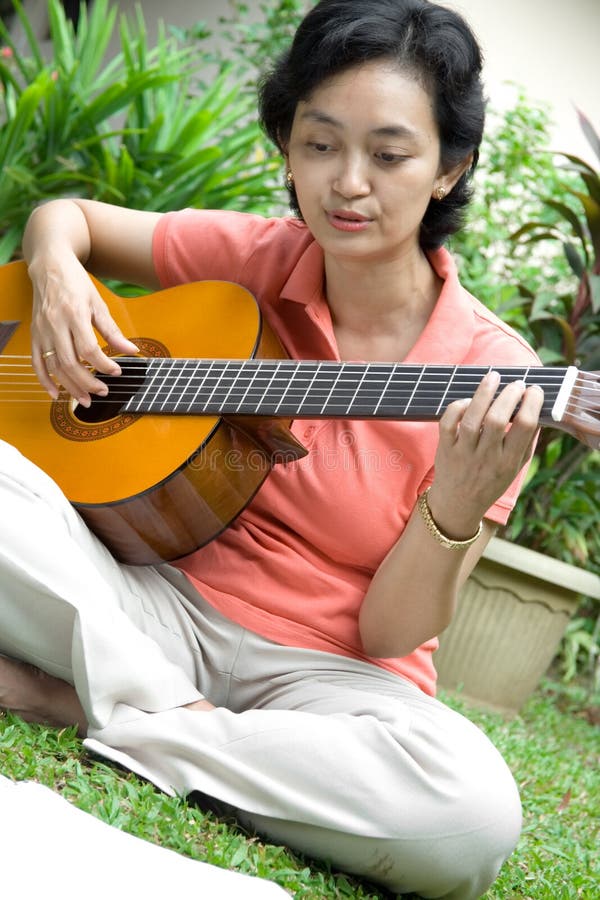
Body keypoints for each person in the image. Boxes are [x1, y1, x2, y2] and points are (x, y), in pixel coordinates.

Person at [0, 0, 545, 897]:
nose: (348, 183)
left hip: (329, 683)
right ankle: (153, 705)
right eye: (320, 143)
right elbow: (73, 219)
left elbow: (389, 634)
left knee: (471, 814)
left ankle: (94, 707)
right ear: (288, 147)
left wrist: (454, 504)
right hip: (148, 603)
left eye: (390, 153)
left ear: (450, 168)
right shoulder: (252, 257)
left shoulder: (495, 374)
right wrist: (57, 272)